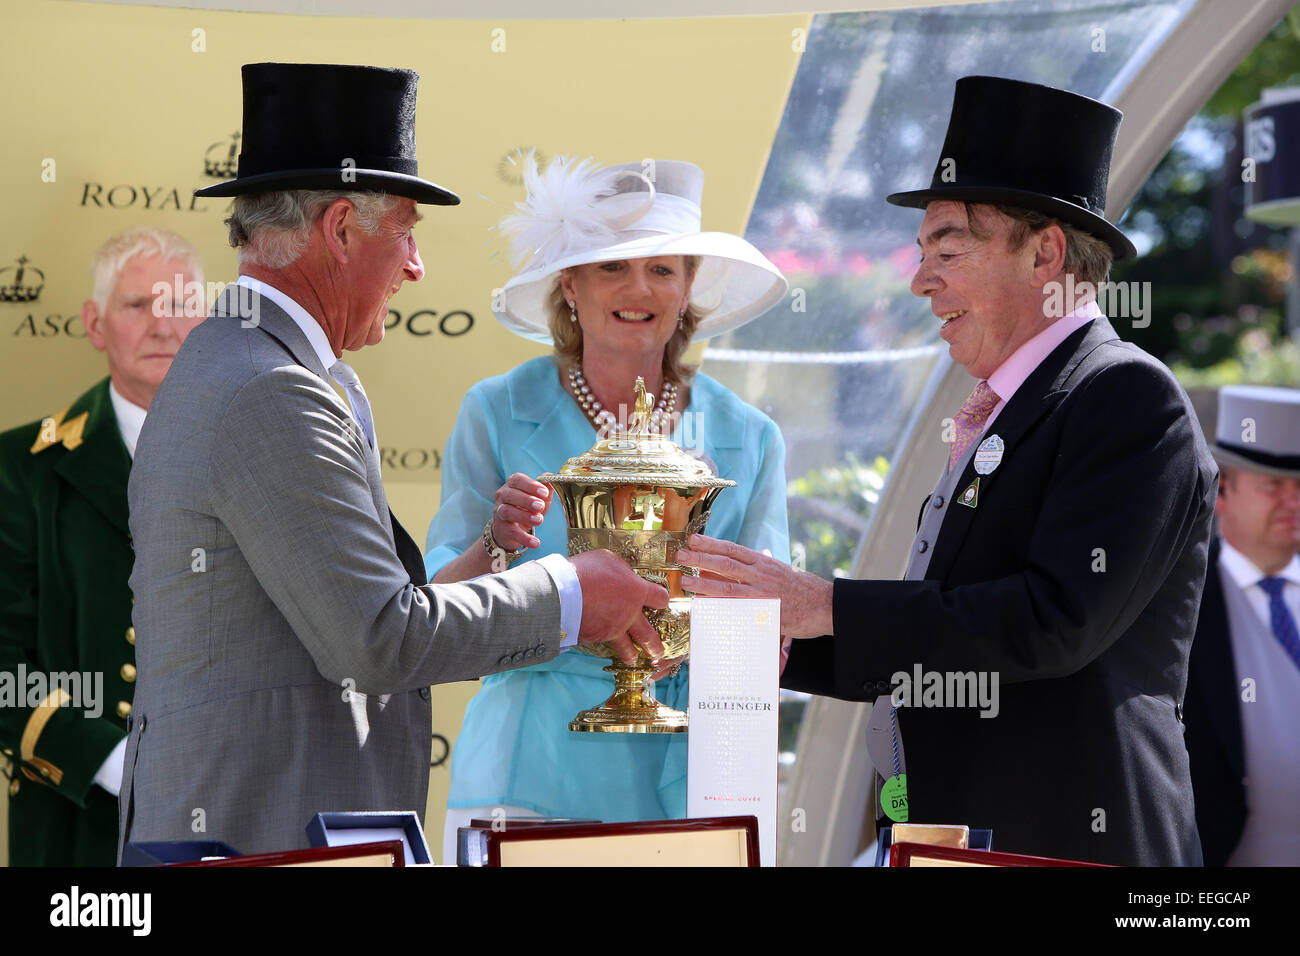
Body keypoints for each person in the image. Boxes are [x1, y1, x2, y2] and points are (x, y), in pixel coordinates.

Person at [118, 63, 666, 860]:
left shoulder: (272, 370)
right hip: (258, 843)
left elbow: (358, 617)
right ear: (341, 228)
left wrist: (491, 562)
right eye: (405, 231)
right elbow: (380, 643)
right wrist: (570, 593)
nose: (416, 268)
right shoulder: (269, 390)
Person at [678, 76, 1218, 866]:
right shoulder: (1022, 401)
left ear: (1045, 253)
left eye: (948, 248)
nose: (918, 280)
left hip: (1068, 842)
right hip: (966, 839)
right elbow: (955, 626)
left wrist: (822, 603)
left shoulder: (1126, 396)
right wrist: (786, 636)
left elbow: (1052, 624)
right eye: (922, 251)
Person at [427, 155, 790, 859]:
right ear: (570, 285)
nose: (638, 288)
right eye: (611, 268)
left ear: (689, 289)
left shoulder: (749, 437)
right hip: (526, 780)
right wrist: (497, 545)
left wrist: (696, 630)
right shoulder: (497, 411)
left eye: (662, 269)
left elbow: (769, 629)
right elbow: (440, 615)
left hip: (693, 785)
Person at [0, 227, 204, 865]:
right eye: (137, 305)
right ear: (95, 323)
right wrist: (122, 766)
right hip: (75, 827)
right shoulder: (20, 468)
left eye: (178, 306)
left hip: (233, 811)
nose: (162, 327)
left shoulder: (254, 457)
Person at [1183, 385, 1300, 866]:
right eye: (1273, 485)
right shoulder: (1183, 604)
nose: (1292, 502)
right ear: (1223, 489)